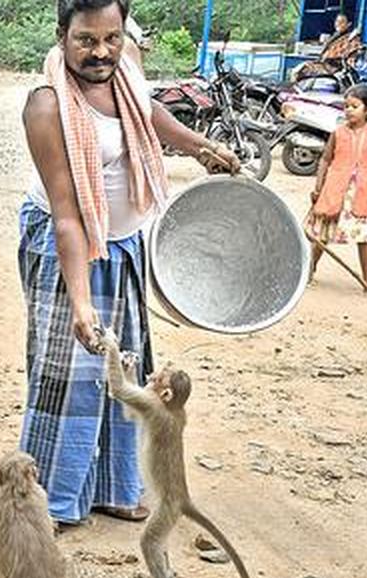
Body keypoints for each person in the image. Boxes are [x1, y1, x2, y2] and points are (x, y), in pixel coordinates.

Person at [19, 0, 239, 527]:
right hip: (65, 246)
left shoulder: (127, 70)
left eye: (111, 39)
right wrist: (79, 301)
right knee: (70, 373)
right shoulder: (47, 107)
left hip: (122, 244)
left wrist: (200, 147)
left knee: (125, 367)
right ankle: (55, 499)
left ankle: (115, 486)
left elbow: (149, 111)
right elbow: (67, 216)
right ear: (62, 35)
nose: (101, 52)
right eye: (86, 40)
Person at [308, 83, 367, 288]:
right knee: (323, 235)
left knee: (364, 236)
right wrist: (318, 188)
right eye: (346, 106)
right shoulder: (338, 133)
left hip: (361, 192)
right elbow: (325, 159)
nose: (349, 110)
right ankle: (309, 270)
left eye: (354, 106)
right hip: (335, 190)